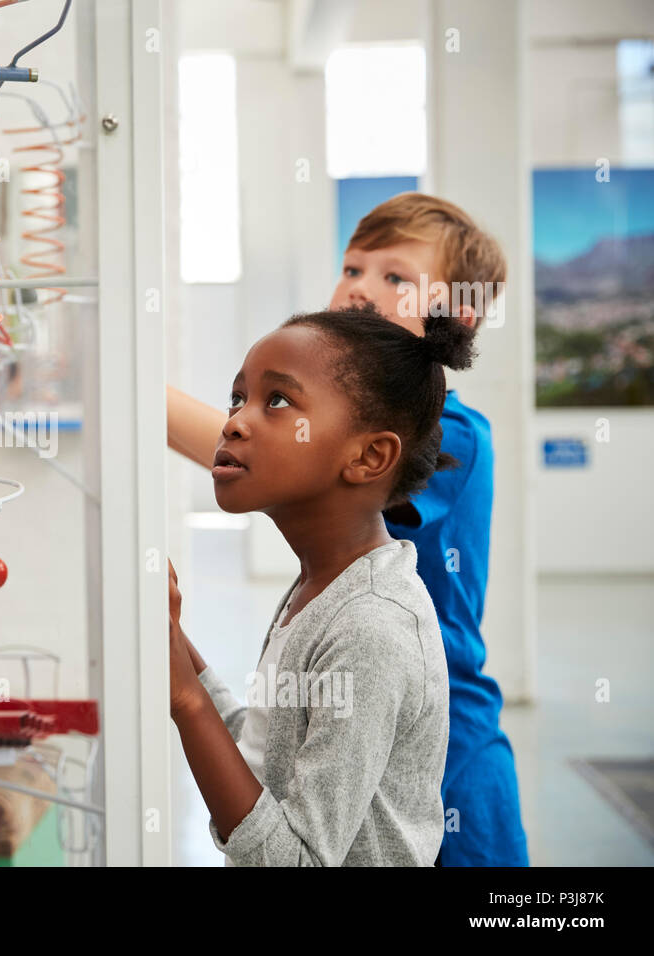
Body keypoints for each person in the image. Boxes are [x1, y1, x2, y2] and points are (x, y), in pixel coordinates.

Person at [167, 194, 529, 867]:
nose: (361, 289)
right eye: (353, 268)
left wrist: (140, 396)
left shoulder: (454, 437)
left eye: (395, 278)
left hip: (452, 766)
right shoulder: (317, 591)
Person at [169, 304, 471, 865]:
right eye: (238, 398)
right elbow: (265, 759)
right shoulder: (321, 586)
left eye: (276, 401)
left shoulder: (371, 626)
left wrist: (186, 699)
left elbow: (297, 859)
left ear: (369, 455)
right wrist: (174, 642)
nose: (234, 421)